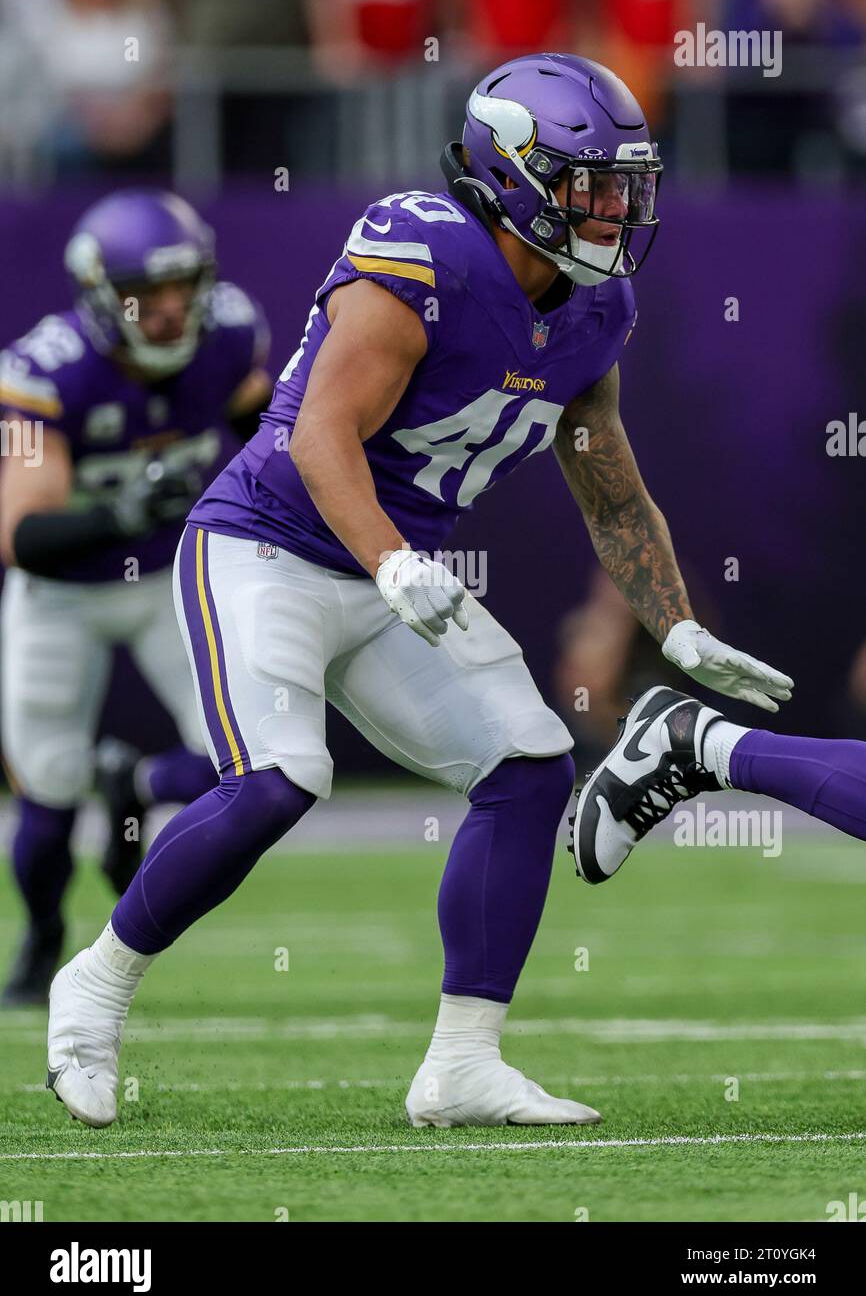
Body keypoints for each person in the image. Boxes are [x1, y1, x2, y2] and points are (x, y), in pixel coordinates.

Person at [43, 54, 789, 1129]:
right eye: (588, 184)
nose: (613, 210)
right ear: (514, 172)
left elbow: (610, 489)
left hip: (395, 576)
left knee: (529, 764)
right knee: (277, 779)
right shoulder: (424, 254)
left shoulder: (594, 309)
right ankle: (96, 984)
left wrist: (671, 627)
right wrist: (394, 560)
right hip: (268, 545)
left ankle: (461, 1060)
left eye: (625, 186)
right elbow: (317, 435)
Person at [0, 189, 272, 1005]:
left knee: (253, 763)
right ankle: (44, 934)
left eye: (183, 286)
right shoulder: (47, 370)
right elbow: (19, 534)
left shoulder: (227, 334)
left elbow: (272, 433)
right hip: (62, 595)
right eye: (146, 294)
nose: (169, 309)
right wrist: (119, 512)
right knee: (46, 789)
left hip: (169, 580)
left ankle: (138, 784)